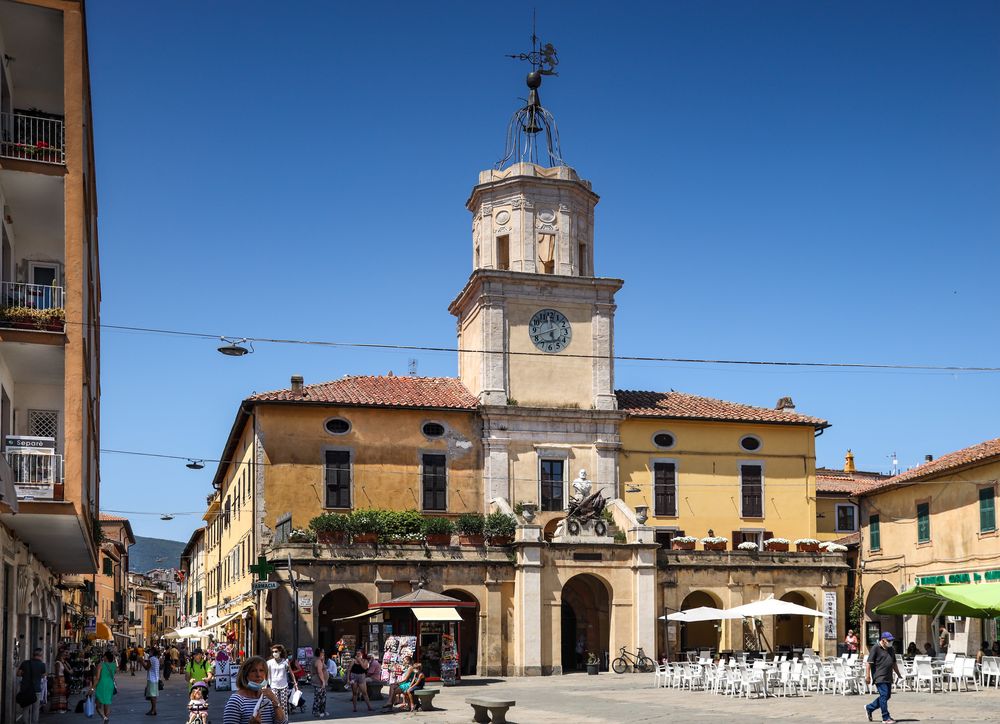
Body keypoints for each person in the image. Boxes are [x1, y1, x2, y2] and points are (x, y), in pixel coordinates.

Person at [223, 656, 287, 724]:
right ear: (245, 675)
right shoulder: (236, 701)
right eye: (253, 671)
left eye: (261, 670)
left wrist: (276, 704)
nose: (258, 675)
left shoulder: (268, 699)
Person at [865, 631, 901, 724]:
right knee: (884, 695)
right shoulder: (875, 648)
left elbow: (893, 663)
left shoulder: (891, 649)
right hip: (879, 676)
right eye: (888, 640)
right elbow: (869, 663)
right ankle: (885, 717)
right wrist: (867, 676)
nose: (890, 642)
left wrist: (898, 674)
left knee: (886, 696)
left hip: (888, 676)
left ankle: (869, 707)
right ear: (883, 640)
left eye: (891, 640)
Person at [16, 648, 46, 724]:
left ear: (33, 655)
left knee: (26, 708)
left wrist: (25, 674)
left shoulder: (25, 663)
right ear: (40, 655)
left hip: (25, 689)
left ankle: (25, 722)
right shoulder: (42, 665)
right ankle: (34, 722)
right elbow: (43, 675)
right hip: (36, 689)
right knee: (35, 709)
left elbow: (18, 674)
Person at [266, 645, 297, 716]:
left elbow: (291, 672)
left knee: (283, 705)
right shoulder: (269, 662)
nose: (274, 653)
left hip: (284, 686)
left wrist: (295, 683)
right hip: (273, 686)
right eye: (273, 652)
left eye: (276, 651)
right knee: (275, 704)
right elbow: (266, 675)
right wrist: (264, 685)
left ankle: (284, 720)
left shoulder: (285, 662)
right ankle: (276, 719)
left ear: (280, 652)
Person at [93, 649, 117, 724]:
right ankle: (106, 720)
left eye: (104, 656)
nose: (103, 657)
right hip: (110, 685)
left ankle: (104, 717)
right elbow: (114, 673)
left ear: (106, 657)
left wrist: (92, 688)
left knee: (98, 706)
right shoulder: (114, 665)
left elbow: (97, 678)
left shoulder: (100, 665)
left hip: (102, 685)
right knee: (107, 703)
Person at [143, 646, 161, 716]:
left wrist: (142, 662)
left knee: (152, 696)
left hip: (151, 679)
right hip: (156, 679)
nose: (149, 652)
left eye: (150, 651)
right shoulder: (156, 659)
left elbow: (147, 668)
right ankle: (153, 709)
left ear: (152, 652)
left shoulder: (151, 659)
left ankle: (153, 710)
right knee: (154, 696)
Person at [312, 648, 329, 718]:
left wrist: (323, 659)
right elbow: (320, 672)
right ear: (320, 653)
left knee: (323, 697)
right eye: (323, 652)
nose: (324, 654)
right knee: (318, 697)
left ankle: (322, 711)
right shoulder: (318, 661)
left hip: (321, 682)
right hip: (319, 681)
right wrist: (323, 681)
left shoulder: (320, 660)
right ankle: (316, 712)